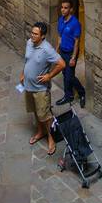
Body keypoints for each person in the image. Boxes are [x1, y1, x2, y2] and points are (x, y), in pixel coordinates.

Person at [20, 21, 65, 154]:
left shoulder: (47, 49)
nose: (32, 36)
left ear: (43, 36)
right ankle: (40, 132)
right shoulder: (29, 43)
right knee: (35, 111)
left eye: (35, 34)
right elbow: (27, 60)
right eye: (32, 33)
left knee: (45, 115)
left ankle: (52, 139)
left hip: (40, 89)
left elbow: (62, 64)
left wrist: (49, 76)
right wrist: (23, 73)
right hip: (28, 86)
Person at [54, 0, 87, 108]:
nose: (63, 10)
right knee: (64, 74)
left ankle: (82, 93)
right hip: (62, 52)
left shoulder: (75, 23)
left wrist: (73, 58)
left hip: (70, 53)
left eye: (66, 8)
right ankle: (69, 95)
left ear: (71, 9)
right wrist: (57, 50)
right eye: (62, 7)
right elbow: (59, 36)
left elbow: (77, 42)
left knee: (70, 77)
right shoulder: (60, 20)